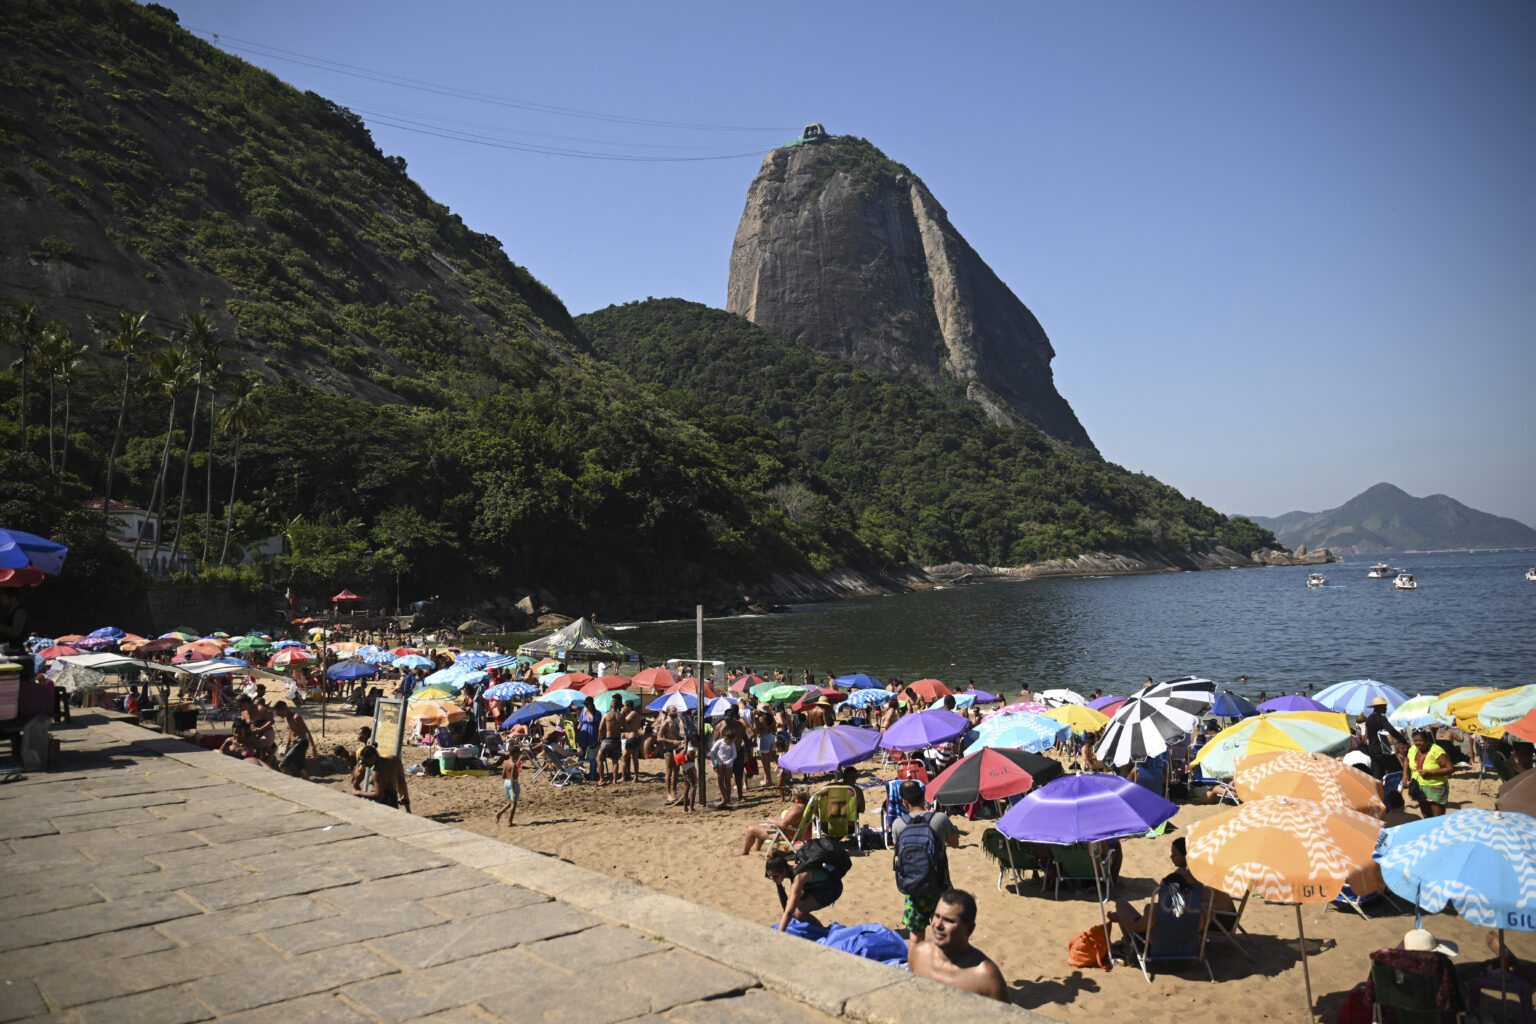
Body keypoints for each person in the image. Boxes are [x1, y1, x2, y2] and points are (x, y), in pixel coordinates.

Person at [907, 889, 1009, 1003]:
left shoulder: (985, 976)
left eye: (948, 920)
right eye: (936, 916)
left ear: (969, 929)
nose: (938, 925)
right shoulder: (919, 953)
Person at [891, 779, 959, 945]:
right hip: (940, 883)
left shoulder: (898, 824)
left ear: (904, 802)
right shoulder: (940, 818)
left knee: (916, 934)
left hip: (914, 886)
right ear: (923, 797)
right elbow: (955, 843)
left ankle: (916, 967)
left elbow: (897, 849)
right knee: (945, 929)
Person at [766, 848, 842, 935]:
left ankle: (824, 933)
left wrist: (779, 935)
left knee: (798, 914)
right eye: (770, 877)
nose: (773, 880)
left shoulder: (798, 878)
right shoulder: (784, 862)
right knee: (796, 905)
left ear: (784, 871)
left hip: (831, 887)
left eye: (775, 877)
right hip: (816, 884)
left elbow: (788, 912)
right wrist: (778, 882)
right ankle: (821, 931)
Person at [739, 786, 811, 855]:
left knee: (751, 829)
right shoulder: (805, 807)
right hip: (794, 833)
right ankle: (756, 848)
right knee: (761, 826)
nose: (791, 797)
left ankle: (745, 851)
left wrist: (771, 820)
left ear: (796, 798)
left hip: (784, 835)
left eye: (792, 795)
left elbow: (783, 824)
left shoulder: (797, 808)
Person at [1403, 727, 1454, 816]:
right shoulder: (1413, 749)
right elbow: (1406, 760)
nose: (1418, 743)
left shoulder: (1436, 750)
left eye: (1420, 740)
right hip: (1419, 787)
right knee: (1426, 817)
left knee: (1437, 818)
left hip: (1435, 787)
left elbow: (1450, 768)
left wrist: (1430, 773)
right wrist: (1405, 775)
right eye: (1415, 741)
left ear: (1427, 739)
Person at [352, 747, 410, 811]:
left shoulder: (376, 772)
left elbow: (379, 795)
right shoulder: (395, 760)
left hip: (382, 802)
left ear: (373, 757)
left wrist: (358, 793)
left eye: (365, 761)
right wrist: (407, 805)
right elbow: (402, 781)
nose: (365, 765)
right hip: (393, 797)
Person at [1363, 696, 1406, 777]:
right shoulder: (1381, 718)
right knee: (1398, 770)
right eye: (1384, 706)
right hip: (1383, 750)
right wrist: (1403, 740)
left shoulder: (1369, 719)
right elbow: (1392, 731)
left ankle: (1378, 789)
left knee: (1378, 774)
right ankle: (1394, 788)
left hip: (1372, 750)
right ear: (1379, 707)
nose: (1386, 708)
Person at [271, 700, 311, 778]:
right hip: (296, 743)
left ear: (284, 709)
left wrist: (313, 748)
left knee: (282, 765)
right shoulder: (286, 718)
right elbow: (290, 732)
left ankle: (293, 782)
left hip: (301, 742)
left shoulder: (296, 717)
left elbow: (307, 732)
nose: (278, 715)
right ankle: (308, 781)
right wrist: (286, 746)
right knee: (301, 768)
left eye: (278, 713)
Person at [656, 707, 685, 804]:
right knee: (669, 771)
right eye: (673, 711)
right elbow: (659, 738)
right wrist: (672, 741)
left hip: (677, 749)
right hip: (668, 749)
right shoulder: (665, 723)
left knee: (676, 771)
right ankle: (668, 793)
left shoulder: (678, 721)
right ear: (668, 712)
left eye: (676, 710)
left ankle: (674, 791)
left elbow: (681, 734)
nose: (676, 712)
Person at [495, 741, 522, 827]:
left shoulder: (506, 763)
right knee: (514, 804)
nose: (519, 756)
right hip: (512, 783)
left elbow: (503, 776)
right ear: (514, 754)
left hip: (506, 782)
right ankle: (509, 822)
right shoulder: (513, 765)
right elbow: (513, 779)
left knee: (511, 802)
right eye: (518, 754)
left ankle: (499, 813)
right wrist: (513, 791)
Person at [710, 726, 738, 810]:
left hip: (728, 765)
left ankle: (728, 799)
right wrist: (715, 764)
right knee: (720, 780)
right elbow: (712, 753)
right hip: (719, 764)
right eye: (731, 739)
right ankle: (723, 799)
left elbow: (734, 754)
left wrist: (728, 762)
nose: (732, 741)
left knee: (728, 781)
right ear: (726, 738)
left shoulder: (732, 744)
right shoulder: (719, 742)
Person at [597, 701, 624, 785]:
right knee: (615, 761)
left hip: (608, 740)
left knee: (599, 758)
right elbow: (626, 728)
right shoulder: (621, 716)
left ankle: (601, 779)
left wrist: (598, 739)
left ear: (610, 706)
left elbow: (600, 728)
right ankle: (614, 780)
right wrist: (618, 729)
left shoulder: (606, 715)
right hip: (617, 740)